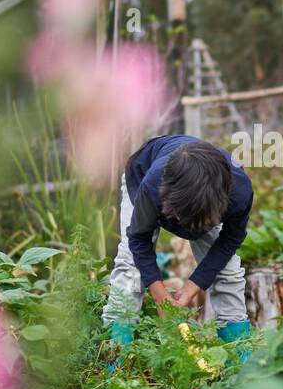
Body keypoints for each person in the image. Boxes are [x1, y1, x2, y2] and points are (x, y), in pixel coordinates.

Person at [103, 135, 252, 352]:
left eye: (204, 224)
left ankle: (238, 358)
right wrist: (160, 296)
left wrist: (193, 285)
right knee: (130, 268)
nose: (191, 231)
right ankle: (115, 355)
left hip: (206, 196)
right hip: (145, 177)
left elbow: (229, 240)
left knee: (227, 273)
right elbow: (139, 239)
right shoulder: (152, 186)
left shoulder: (239, 194)